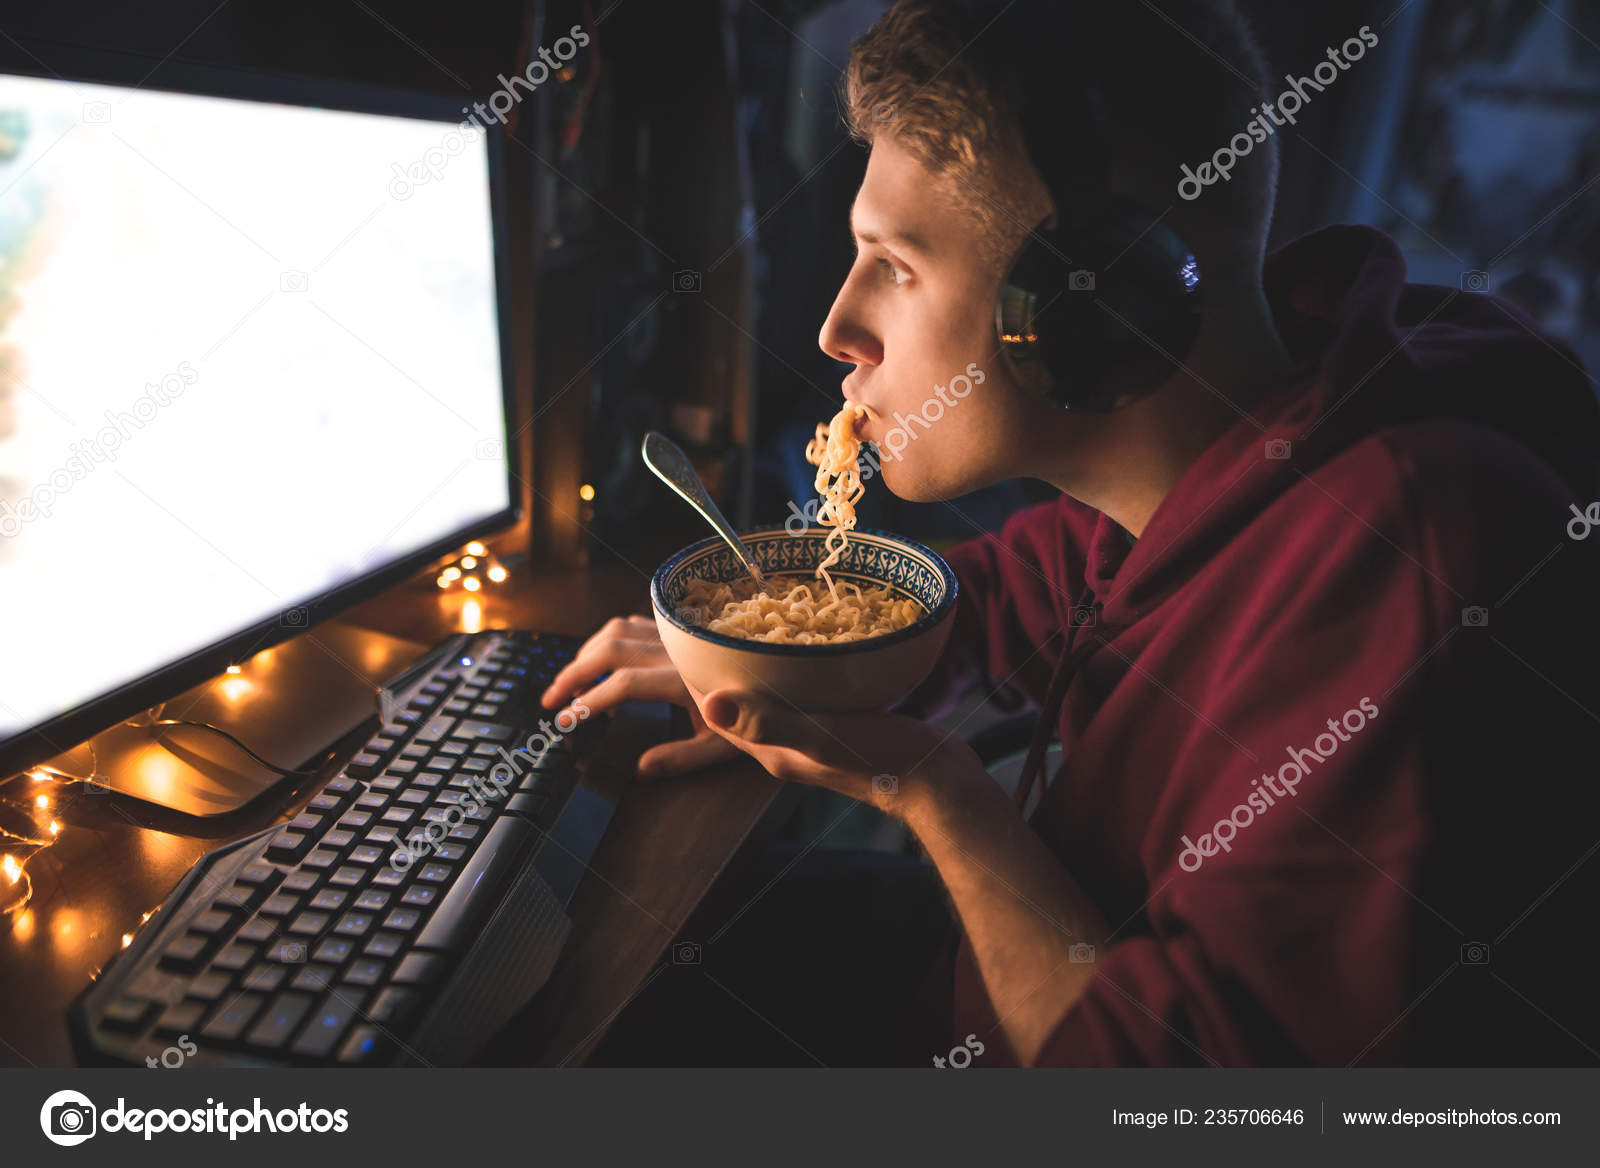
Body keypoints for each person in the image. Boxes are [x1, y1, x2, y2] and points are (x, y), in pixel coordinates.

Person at [540, 0, 1600, 1066]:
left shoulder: (1401, 557)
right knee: (608, 951)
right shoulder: (1222, 454)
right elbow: (1005, 594)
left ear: (1093, 306)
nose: (836, 330)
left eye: (896, 267)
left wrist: (935, 791)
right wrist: (771, 644)